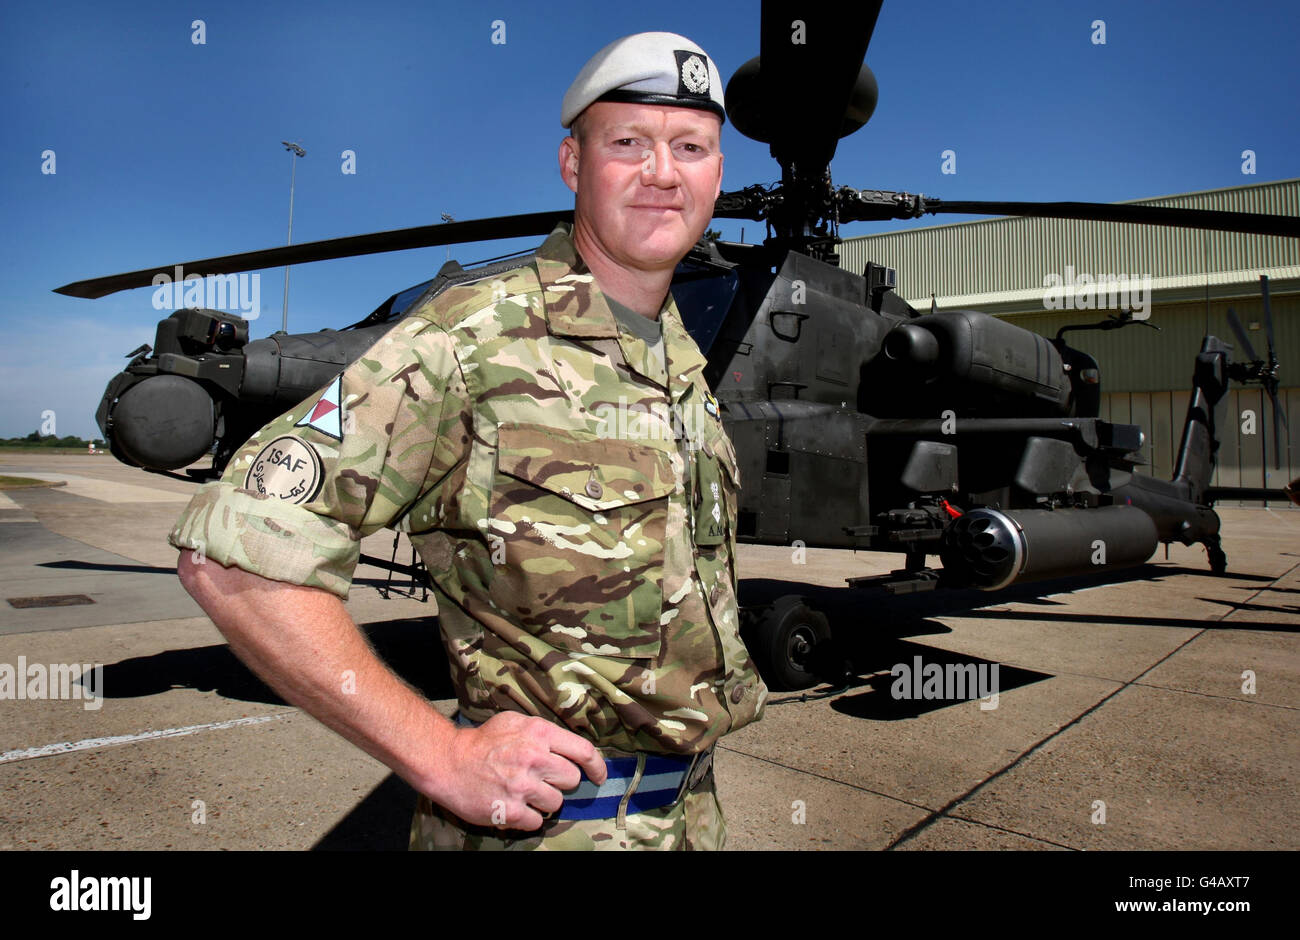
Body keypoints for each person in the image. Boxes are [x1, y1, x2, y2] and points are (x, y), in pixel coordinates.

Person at [171, 30, 766, 851]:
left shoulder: (686, 370)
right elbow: (236, 557)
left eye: (690, 147)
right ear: (572, 164)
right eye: (627, 142)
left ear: (719, 175)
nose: (662, 173)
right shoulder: (470, 338)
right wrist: (440, 755)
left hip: (693, 819)